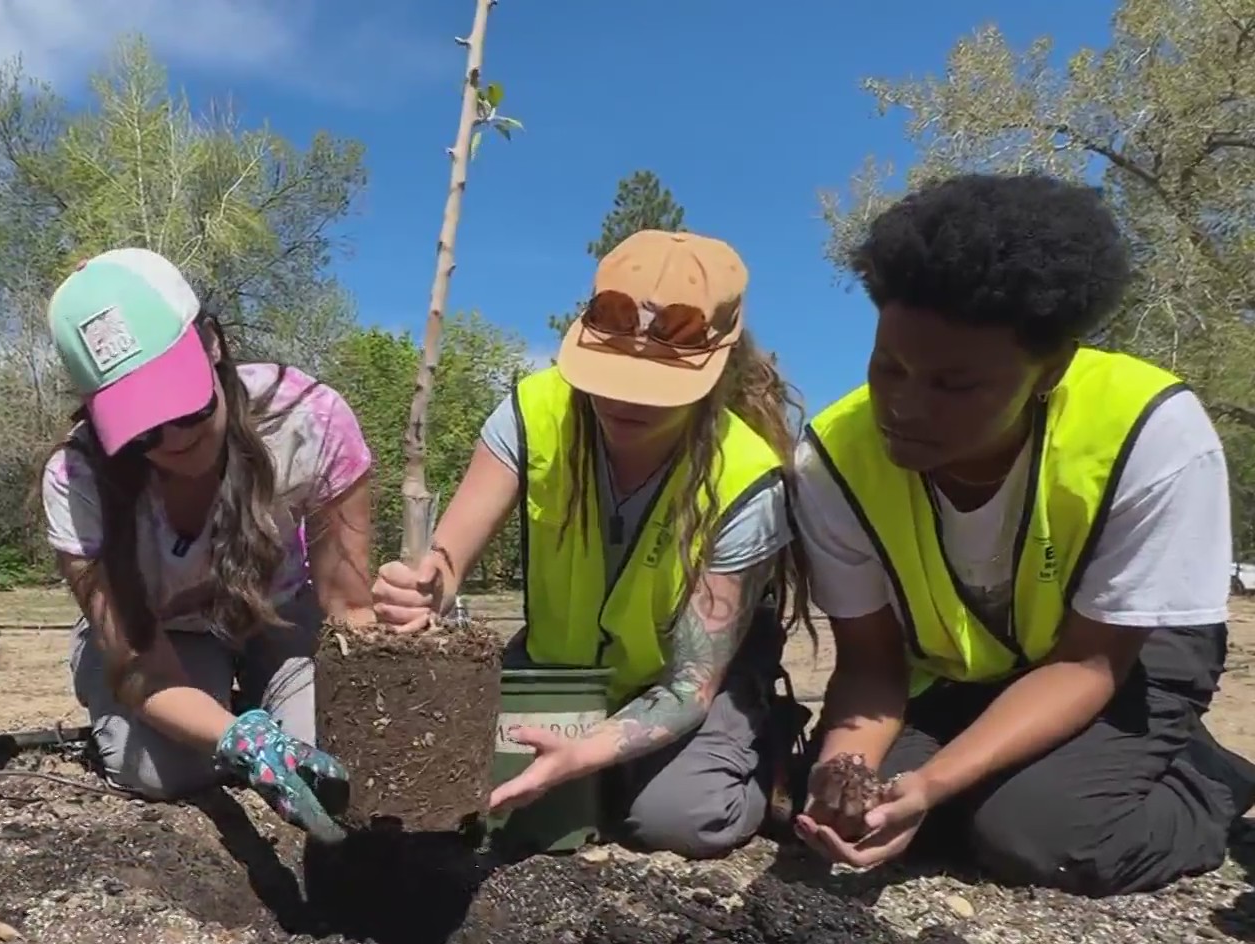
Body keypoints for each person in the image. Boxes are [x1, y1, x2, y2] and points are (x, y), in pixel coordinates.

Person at [790, 171, 1255, 897]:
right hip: (973, 662)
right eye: (888, 366)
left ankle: (1210, 780)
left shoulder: (1150, 433)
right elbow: (872, 663)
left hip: (1122, 650)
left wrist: (935, 781)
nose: (904, 406)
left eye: (954, 385)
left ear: (1052, 367)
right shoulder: (831, 460)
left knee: (1036, 837)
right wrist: (841, 767)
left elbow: (1089, 666)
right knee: (846, 799)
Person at [373, 231, 809, 859]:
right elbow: (445, 562)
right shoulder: (530, 412)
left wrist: (583, 752)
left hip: (677, 684)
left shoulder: (745, 479)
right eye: (611, 373)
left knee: (678, 820)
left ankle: (756, 758)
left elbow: (691, 685)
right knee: (460, 784)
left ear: (721, 362)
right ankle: (603, 778)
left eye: (657, 385)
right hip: (556, 671)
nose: (625, 398)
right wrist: (424, 590)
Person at [39, 248, 376, 842]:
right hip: (163, 637)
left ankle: (253, 695)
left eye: (182, 405)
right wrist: (236, 738)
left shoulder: (310, 420)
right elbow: (141, 659)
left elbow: (348, 609)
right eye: (140, 426)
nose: (171, 438)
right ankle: (220, 709)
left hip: (282, 614)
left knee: (336, 755)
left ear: (211, 343)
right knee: (163, 768)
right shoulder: (77, 481)